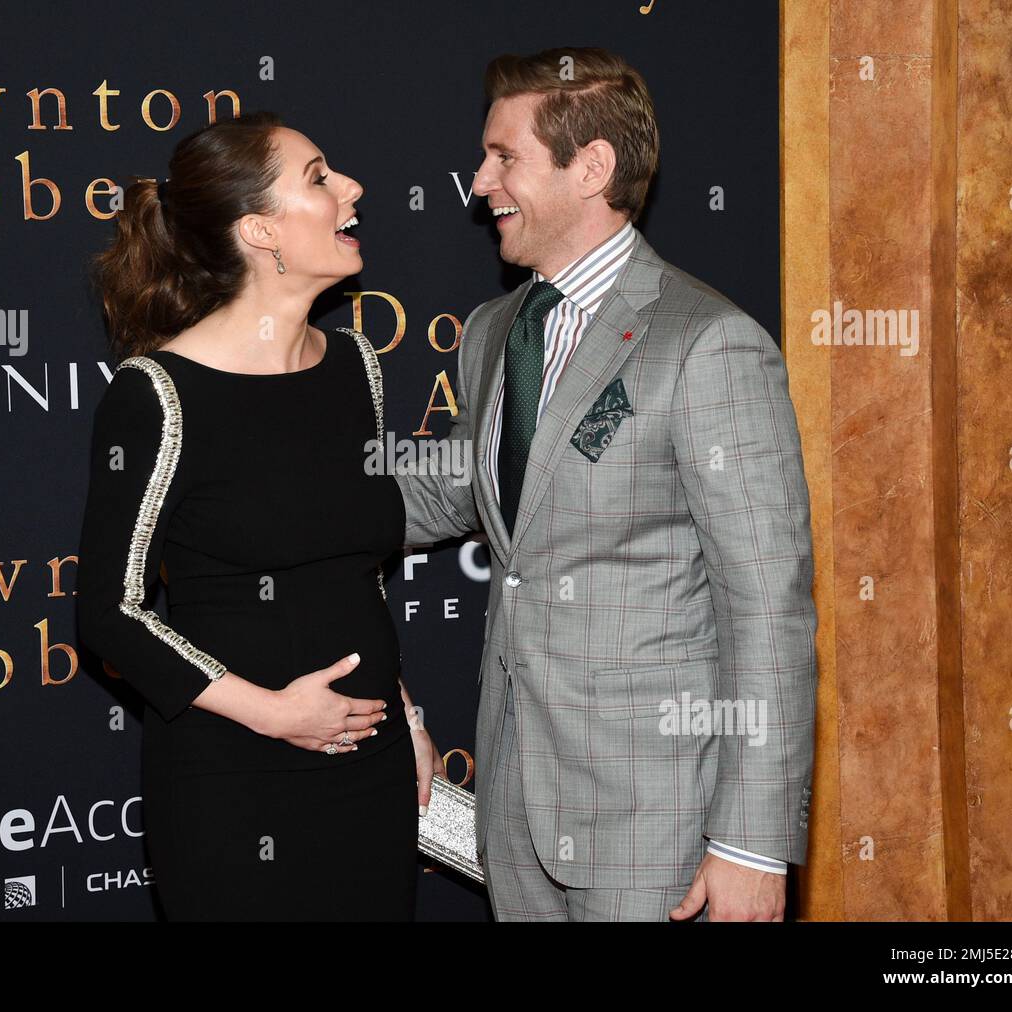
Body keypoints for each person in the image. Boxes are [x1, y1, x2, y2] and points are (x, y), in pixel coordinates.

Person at [397, 47, 818, 922]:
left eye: (503, 156)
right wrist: (271, 488)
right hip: (514, 815)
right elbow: (460, 488)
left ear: (591, 167)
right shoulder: (492, 331)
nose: (478, 182)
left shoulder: (707, 344)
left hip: (658, 828)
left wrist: (750, 844)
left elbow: (766, 608)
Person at [76, 111, 443, 921]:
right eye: (318, 177)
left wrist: (409, 719)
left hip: (371, 768)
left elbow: (356, 576)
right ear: (259, 231)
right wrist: (277, 713)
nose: (352, 189)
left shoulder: (357, 366)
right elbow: (111, 613)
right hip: (234, 782)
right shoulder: (159, 393)